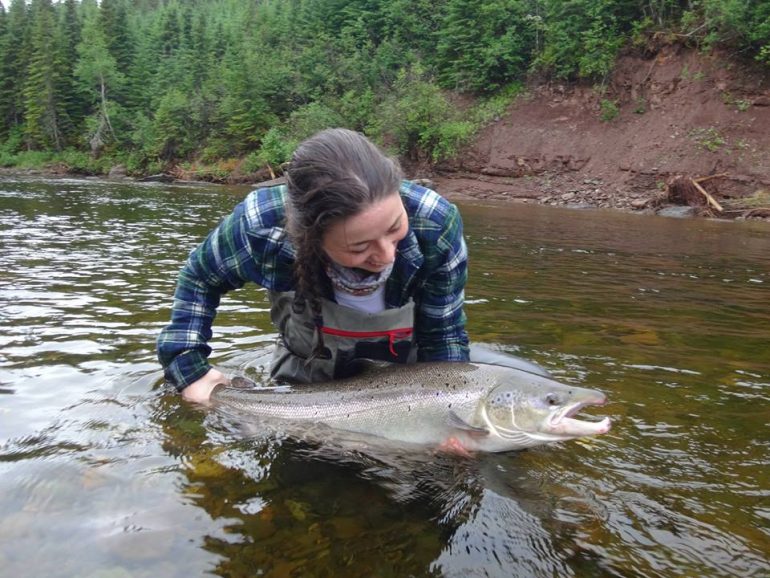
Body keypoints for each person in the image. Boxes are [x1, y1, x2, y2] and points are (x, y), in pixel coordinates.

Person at [157, 128, 470, 403]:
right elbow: (199, 278)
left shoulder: (436, 224)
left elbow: (443, 335)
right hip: (301, 384)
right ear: (310, 239)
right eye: (359, 247)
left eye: (394, 227)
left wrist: (453, 410)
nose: (387, 255)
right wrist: (190, 368)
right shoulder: (260, 228)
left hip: (402, 392)